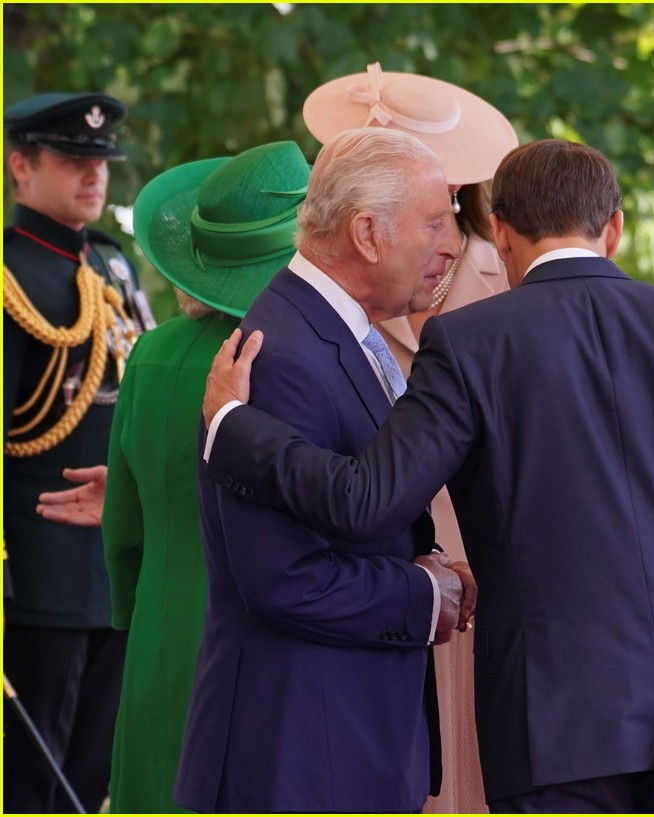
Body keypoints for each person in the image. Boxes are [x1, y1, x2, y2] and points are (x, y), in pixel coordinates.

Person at [201, 138, 654, 813]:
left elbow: (365, 497)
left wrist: (234, 427)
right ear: (616, 227)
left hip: (552, 733)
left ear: (501, 229)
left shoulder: (468, 343)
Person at [174, 127, 472, 813]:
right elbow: (283, 579)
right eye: (434, 221)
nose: (452, 244)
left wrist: (426, 556)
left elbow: (364, 507)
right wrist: (425, 597)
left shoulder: (333, 328)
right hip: (298, 749)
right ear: (367, 233)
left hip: (340, 735)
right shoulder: (284, 353)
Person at [36, 141, 311, 812]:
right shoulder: (294, 359)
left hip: (159, 641)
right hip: (259, 648)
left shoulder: (154, 350)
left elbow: (124, 534)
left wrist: (141, 613)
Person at [303, 63, 518, 813]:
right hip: (375, 531)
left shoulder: (498, 272)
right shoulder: (335, 280)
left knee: (470, 732)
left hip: (470, 525)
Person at [3, 91, 156, 813]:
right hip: (37, 571)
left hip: (112, 564)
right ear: (20, 167)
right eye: (72, 159)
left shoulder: (113, 265)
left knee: (92, 774)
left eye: (100, 160)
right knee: (32, 780)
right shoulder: (10, 278)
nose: (93, 175)